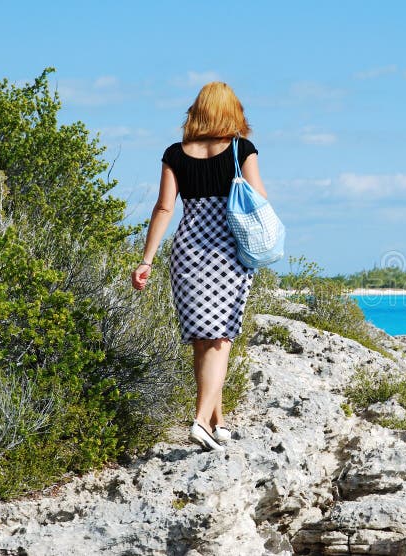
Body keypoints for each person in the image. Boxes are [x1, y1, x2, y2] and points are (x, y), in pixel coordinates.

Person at [130, 82, 267, 451]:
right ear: (233, 112)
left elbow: (164, 208)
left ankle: (217, 422)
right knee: (220, 338)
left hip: (188, 250)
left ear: (197, 111)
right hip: (228, 252)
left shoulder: (175, 153)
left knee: (202, 340)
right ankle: (200, 420)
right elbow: (260, 198)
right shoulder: (242, 149)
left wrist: (146, 260)